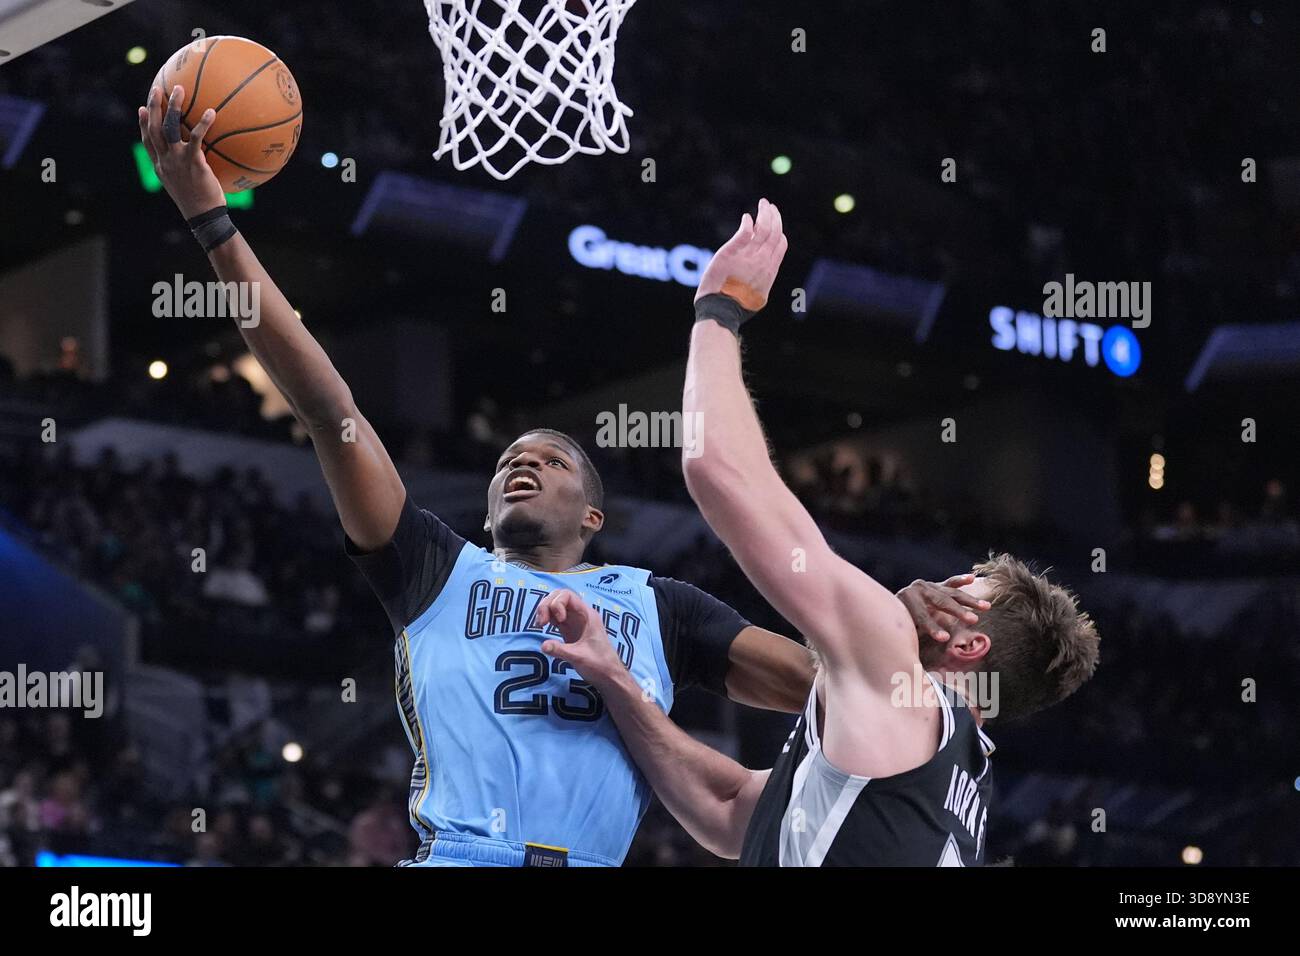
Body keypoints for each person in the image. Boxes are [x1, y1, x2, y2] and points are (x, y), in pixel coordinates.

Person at [138, 87, 815, 867]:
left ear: (594, 517)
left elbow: (821, 684)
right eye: (507, 461)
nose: (521, 461)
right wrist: (213, 225)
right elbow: (330, 411)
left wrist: (904, 647)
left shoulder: (662, 608)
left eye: (552, 459)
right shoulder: (432, 567)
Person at [532, 199, 1100, 866]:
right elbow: (731, 812)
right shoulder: (956, 781)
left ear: (968, 643)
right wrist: (618, 684)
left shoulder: (904, 684)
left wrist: (718, 311)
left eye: (954, 587)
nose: (923, 587)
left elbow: (718, 468)